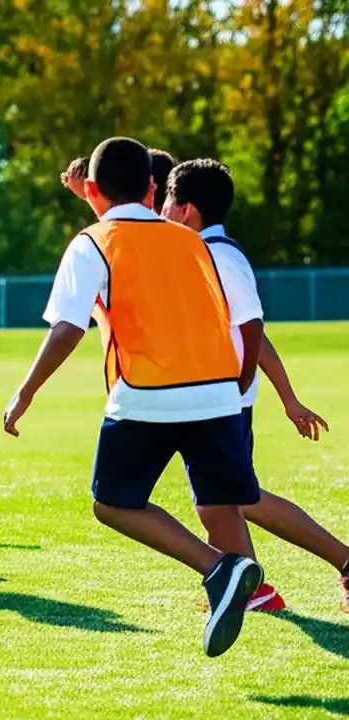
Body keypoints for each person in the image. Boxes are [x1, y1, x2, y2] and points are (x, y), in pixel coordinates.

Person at [3, 137, 263, 657]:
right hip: (219, 393)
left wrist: (24, 392)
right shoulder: (191, 240)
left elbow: (66, 329)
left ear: (92, 189)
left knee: (113, 502)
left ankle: (219, 569)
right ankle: (236, 585)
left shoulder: (92, 242)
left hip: (149, 394)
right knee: (220, 501)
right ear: (151, 187)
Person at [163, 158, 347, 613]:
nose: (161, 207)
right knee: (222, 501)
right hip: (211, 399)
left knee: (240, 498)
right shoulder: (198, 252)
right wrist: (287, 399)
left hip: (223, 402)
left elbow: (253, 329)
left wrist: (249, 389)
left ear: (186, 209)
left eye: (167, 199)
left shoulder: (220, 258)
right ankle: (251, 589)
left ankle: (338, 562)